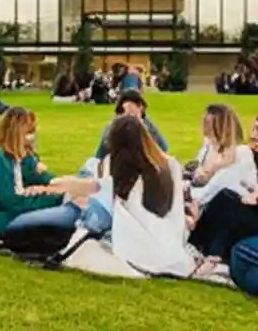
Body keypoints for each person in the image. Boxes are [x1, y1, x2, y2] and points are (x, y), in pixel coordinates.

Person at [48, 115, 197, 277]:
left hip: (137, 248)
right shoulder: (170, 165)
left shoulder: (118, 169)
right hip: (170, 246)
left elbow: (104, 206)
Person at [0, 107, 66, 238]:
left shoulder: (22, 157)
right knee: (50, 223)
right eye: (29, 132)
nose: (33, 137)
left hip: (6, 214)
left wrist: (61, 188)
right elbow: (16, 203)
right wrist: (58, 198)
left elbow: (46, 178)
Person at [189, 104, 256, 209]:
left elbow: (211, 190)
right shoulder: (208, 146)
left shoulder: (241, 153)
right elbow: (196, 176)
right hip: (206, 203)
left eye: (210, 127)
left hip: (229, 208)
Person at [94, 90, 168, 157]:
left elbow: (163, 148)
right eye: (128, 115)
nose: (131, 120)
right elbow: (99, 155)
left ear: (141, 109)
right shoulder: (112, 128)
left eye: (134, 115)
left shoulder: (149, 126)